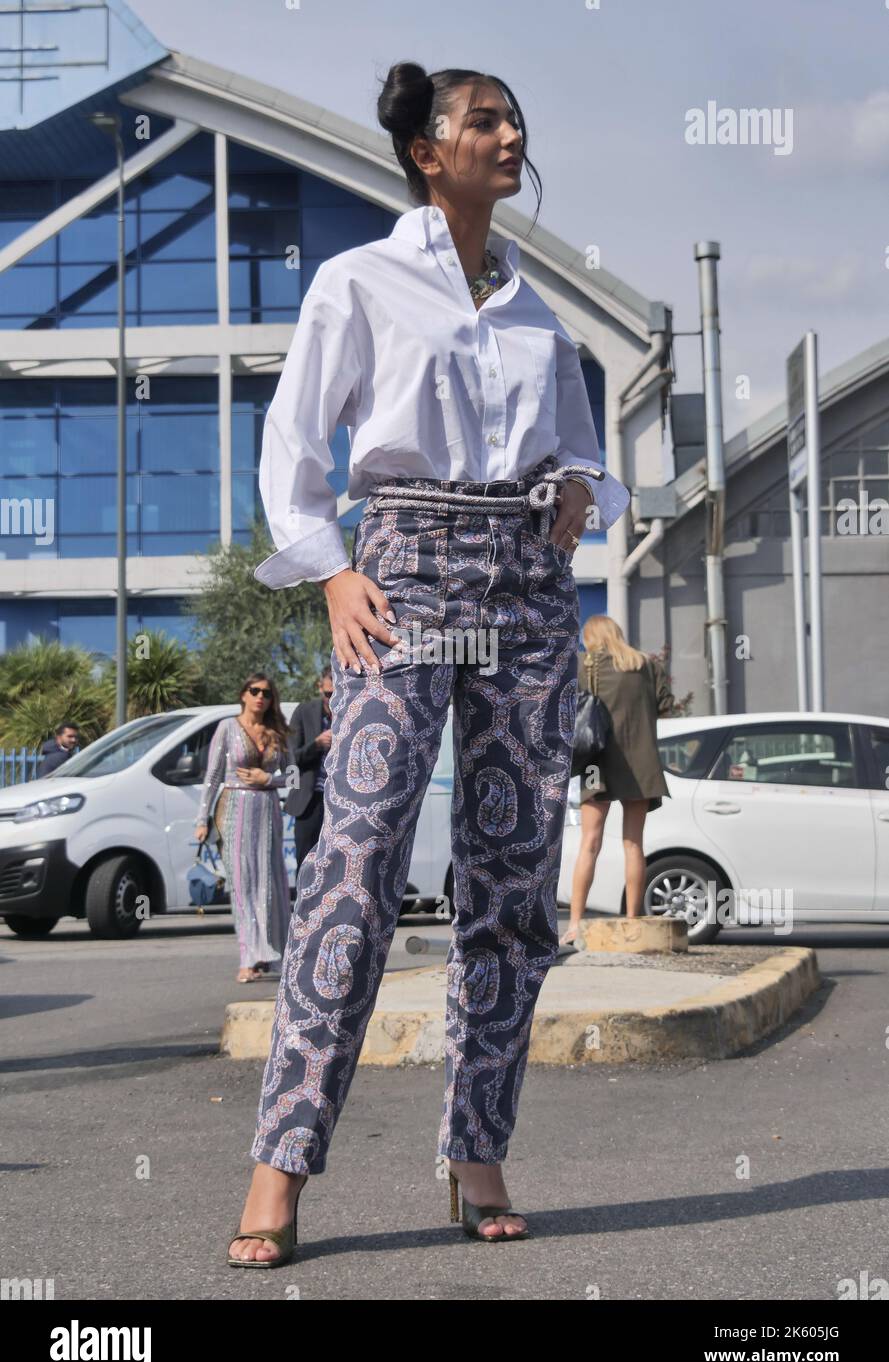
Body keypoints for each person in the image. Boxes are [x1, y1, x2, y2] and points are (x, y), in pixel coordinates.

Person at [227, 61, 630, 1269]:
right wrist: (331, 570)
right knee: (353, 867)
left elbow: (592, 464)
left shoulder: (534, 312)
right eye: (484, 120)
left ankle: (474, 1151)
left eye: (513, 120)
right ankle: (280, 1163)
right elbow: (293, 447)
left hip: (526, 592)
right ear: (426, 150)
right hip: (398, 576)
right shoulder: (358, 282)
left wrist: (574, 488)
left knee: (509, 888)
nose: (509, 135)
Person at [564, 615, 677, 945]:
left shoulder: (584, 664)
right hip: (640, 764)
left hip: (598, 763)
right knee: (633, 844)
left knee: (590, 843)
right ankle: (631, 920)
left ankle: (574, 923)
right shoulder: (645, 664)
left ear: (591, 638)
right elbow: (666, 707)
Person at [195, 674, 291, 984]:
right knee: (242, 883)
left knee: (270, 883)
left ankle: (272, 954)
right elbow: (212, 777)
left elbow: (294, 777)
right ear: (243, 695)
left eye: (267, 693)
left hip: (267, 809)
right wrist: (201, 819)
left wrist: (269, 780)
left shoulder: (277, 732)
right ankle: (247, 957)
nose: (260, 697)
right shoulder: (227, 728)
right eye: (254, 691)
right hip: (233, 808)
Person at [284, 666, 334, 874]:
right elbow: (289, 760)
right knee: (306, 864)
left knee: (334, 865)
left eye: (337, 693)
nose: (331, 699)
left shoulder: (351, 713)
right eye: (328, 693)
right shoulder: (304, 712)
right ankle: (305, 907)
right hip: (309, 801)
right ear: (319, 686)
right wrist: (317, 744)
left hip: (340, 802)